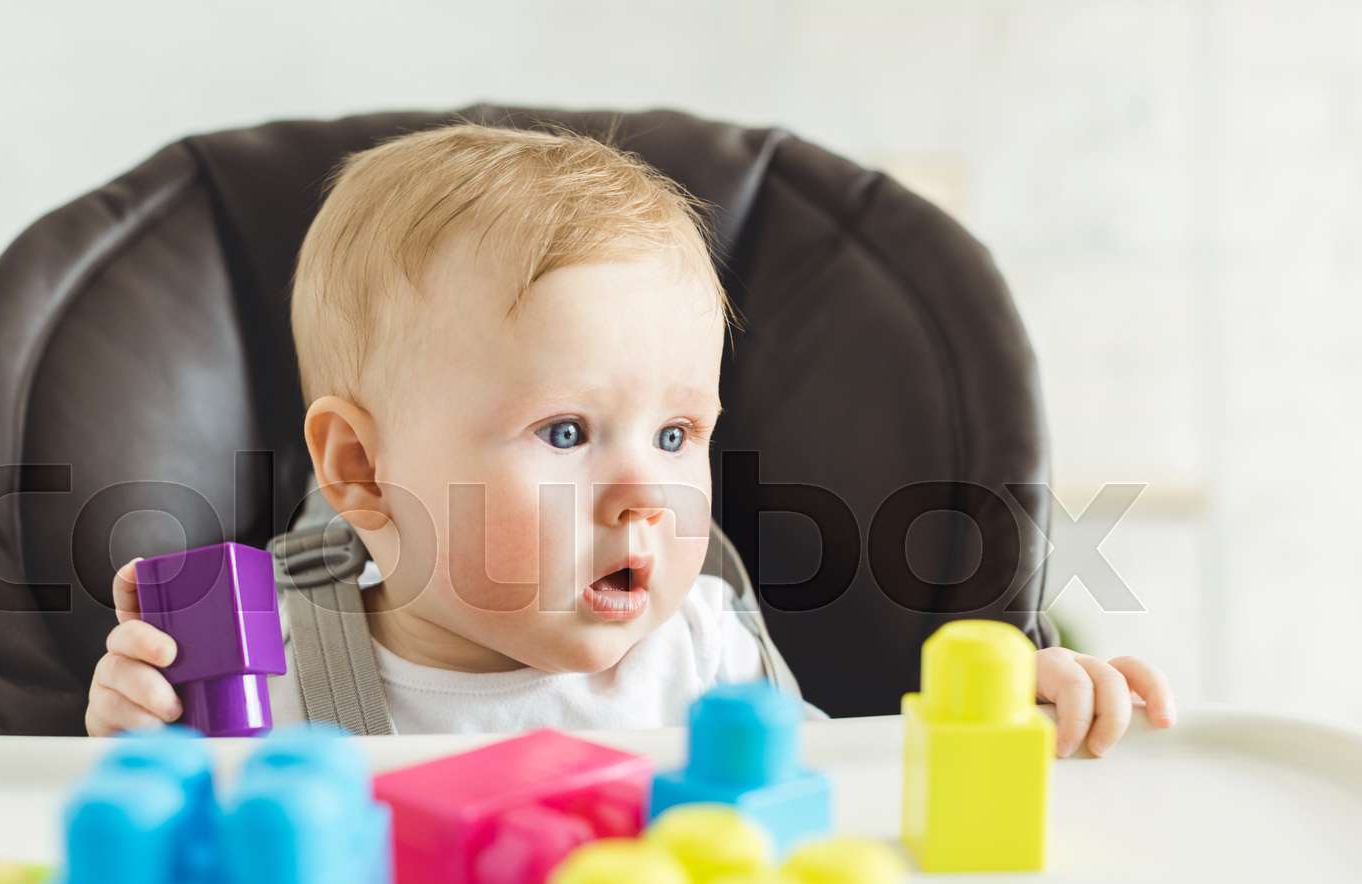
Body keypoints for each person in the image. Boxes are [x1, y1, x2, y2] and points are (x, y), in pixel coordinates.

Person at [85, 122, 1174, 755]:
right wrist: (142, 751)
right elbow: (178, 874)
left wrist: (979, 737)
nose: (645, 494)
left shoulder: (703, 655)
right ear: (364, 470)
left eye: (674, 432)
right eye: (565, 431)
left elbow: (840, 816)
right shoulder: (255, 671)